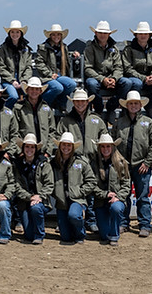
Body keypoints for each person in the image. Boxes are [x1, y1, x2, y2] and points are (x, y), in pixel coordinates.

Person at [57, 89, 108, 232]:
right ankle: (68, 219)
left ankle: (90, 220)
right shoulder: (65, 121)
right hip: (73, 161)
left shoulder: (97, 120)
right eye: (77, 101)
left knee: (91, 190)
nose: (80, 104)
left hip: (93, 160)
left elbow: (104, 137)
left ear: (87, 102)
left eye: (83, 101)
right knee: (71, 189)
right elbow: (58, 138)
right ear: (73, 103)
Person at [112, 91, 152, 237]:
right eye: (131, 103)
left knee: (143, 197)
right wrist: (118, 161)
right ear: (127, 105)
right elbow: (113, 143)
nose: (133, 106)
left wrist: (147, 162)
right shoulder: (119, 123)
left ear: (140, 105)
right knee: (123, 195)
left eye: (136, 103)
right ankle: (123, 223)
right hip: (123, 165)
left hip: (141, 165)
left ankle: (144, 224)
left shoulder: (149, 123)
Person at [50, 132, 97, 244]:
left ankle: (80, 234)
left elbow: (92, 181)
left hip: (77, 199)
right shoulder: (53, 163)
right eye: (64, 145)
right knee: (65, 237)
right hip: (61, 202)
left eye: (69, 145)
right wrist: (56, 193)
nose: (66, 147)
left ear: (72, 147)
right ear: (60, 146)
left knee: (74, 215)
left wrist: (80, 192)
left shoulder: (81, 162)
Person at [84, 20, 135, 118]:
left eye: (105, 33)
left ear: (109, 34)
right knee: (91, 84)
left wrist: (114, 78)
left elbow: (118, 67)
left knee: (127, 83)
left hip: (112, 78)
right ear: (96, 33)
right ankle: (98, 107)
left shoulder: (115, 49)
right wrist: (102, 79)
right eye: (100, 33)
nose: (103, 35)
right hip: (96, 78)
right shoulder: (89, 48)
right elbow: (88, 68)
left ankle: (112, 105)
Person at [12, 133, 54, 244]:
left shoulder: (44, 163)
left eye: (32, 147)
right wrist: (30, 197)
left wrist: (39, 196)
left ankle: (39, 235)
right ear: (23, 148)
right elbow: (16, 186)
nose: (29, 149)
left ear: (36, 149)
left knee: (36, 208)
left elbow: (49, 184)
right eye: (27, 146)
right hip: (24, 202)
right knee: (28, 236)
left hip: (41, 201)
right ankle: (33, 231)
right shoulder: (17, 164)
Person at [91, 134, 130, 246]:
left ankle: (114, 236)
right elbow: (91, 185)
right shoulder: (94, 163)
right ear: (99, 148)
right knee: (104, 235)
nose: (105, 149)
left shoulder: (121, 163)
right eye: (103, 146)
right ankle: (109, 229)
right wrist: (105, 194)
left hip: (116, 200)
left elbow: (126, 185)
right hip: (100, 201)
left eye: (108, 146)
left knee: (116, 208)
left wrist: (118, 197)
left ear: (112, 147)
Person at [34, 24, 79, 111]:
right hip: (47, 77)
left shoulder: (63, 47)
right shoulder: (43, 47)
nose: (56, 37)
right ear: (50, 36)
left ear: (61, 36)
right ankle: (43, 103)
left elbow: (65, 56)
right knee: (58, 88)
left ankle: (60, 103)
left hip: (60, 75)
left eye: (58, 34)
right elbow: (39, 63)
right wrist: (50, 74)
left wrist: (74, 54)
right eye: (54, 34)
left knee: (72, 85)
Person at [13, 77, 57, 157]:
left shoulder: (46, 109)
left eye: (37, 89)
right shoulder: (18, 108)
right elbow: (14, 131)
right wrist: (19, 152)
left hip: (43, 153)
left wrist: (48, 151)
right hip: (24, 153)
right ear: (27, 90)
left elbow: (52, 131)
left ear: (40, 91)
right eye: (31, 89)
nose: (34, 91)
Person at [0, 20, 30, 109]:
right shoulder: (3, 49)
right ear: (9, 33)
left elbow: (28, 67)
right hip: (8, 80)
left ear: (21, 33)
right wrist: (12, 81)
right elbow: (1, 67)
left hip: (23, 79)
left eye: (17, 32)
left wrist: (24, 80)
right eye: (12, 32)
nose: (15, 34)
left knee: (33, 96)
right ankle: (3, 112)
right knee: (14, 96)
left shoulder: (26, 49)